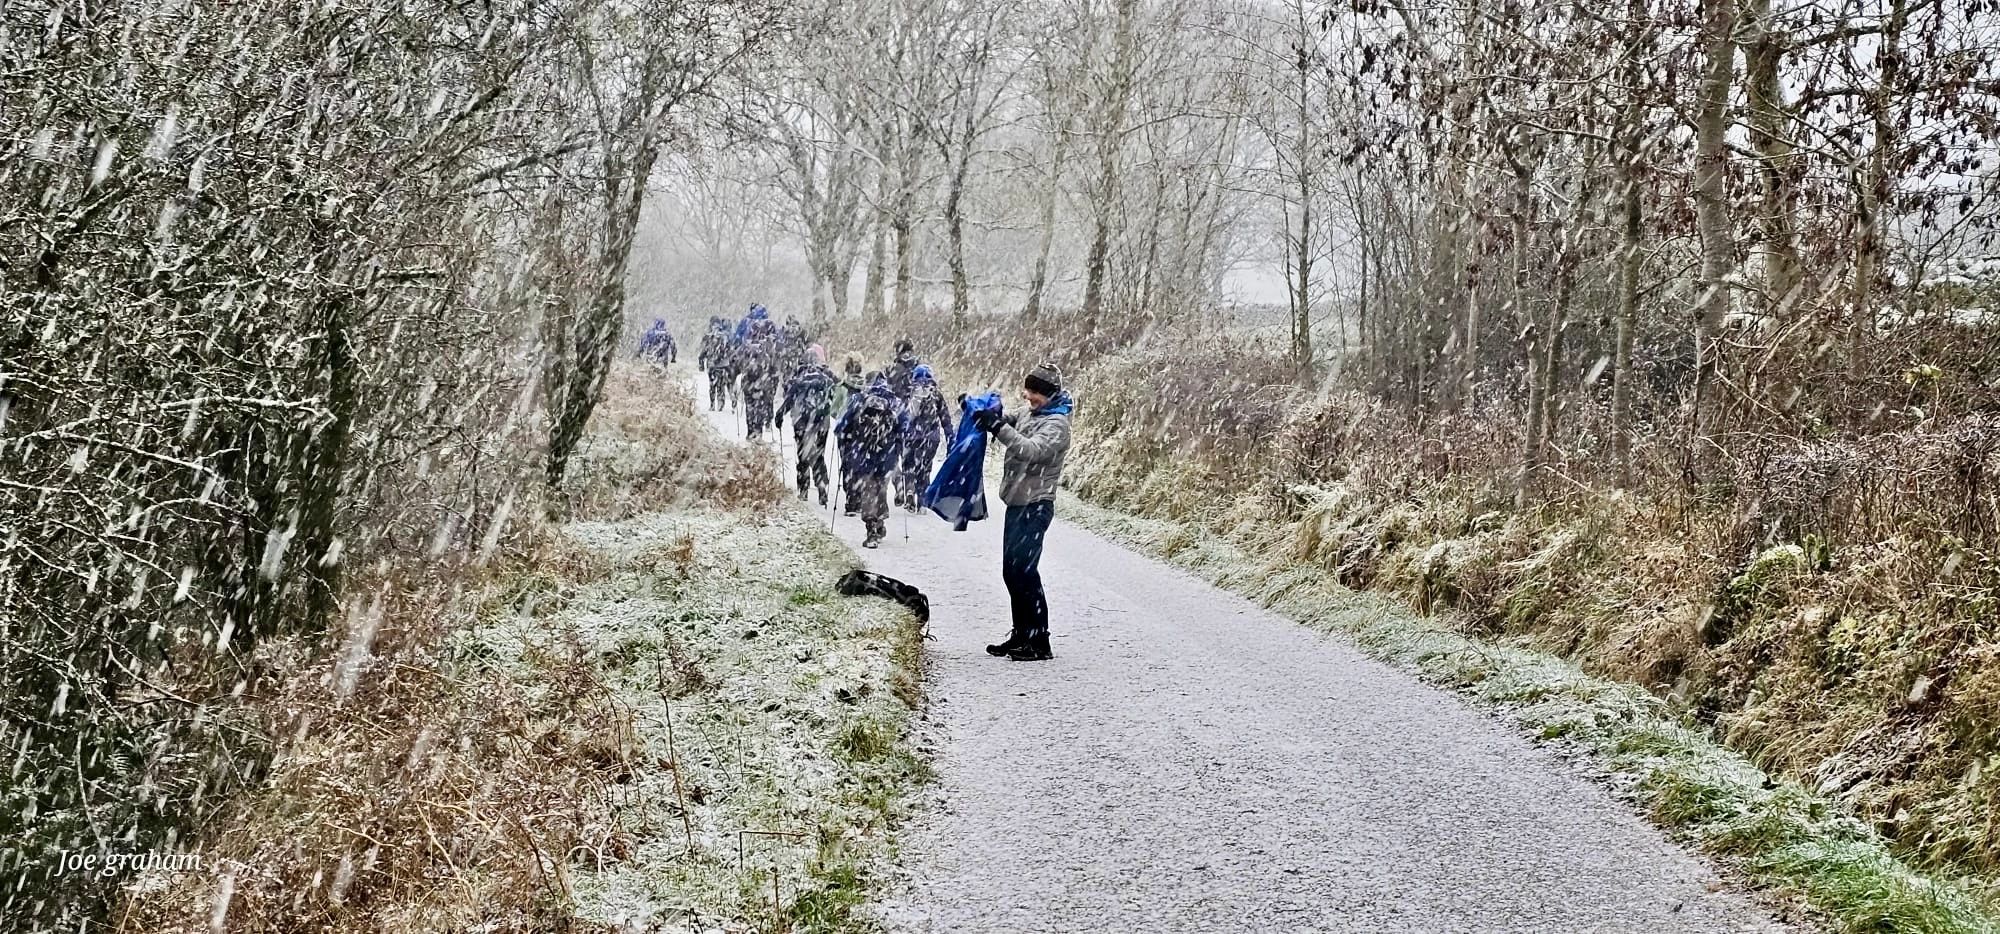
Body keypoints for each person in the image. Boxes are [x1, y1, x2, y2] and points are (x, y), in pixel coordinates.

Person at [969, 362, 1073, 661]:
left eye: (1035, 393)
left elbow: (1031, 450)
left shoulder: (1057, 425)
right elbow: (1009, 419)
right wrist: (978, 409)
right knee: (1011, 571)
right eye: (1028, 392)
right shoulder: (1031, 413)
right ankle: (1021, 634)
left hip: (1036, 504)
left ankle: (1039, 641)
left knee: (1025, 571)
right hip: (1017, 502)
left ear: (1050, 394)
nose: (1029, 397)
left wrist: (998, 427)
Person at [834, 374, 909, 549]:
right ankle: (880, 521)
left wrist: (847, 440)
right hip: (886, 456)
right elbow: (905, 428)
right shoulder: (895, 402)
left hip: (863, 454)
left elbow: (842, 426)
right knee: (881, 488)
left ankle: (871, 528)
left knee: (868, 489)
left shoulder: (859, 399)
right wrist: (898, 446)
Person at [776, 345, 837, 504]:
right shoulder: (827, 379)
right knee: (818, 455)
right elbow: (834, 398)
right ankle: (821, 486)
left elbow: (789, 399)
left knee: (803, 456)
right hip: (821, 423)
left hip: (801, 423)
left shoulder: (799, 379)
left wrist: (780, 415)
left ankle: (803, 490)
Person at [899, 364, 954, 512]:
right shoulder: (935, 394)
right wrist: (950, 438)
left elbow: (901, 415)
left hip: (912, 436)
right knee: (924, 468)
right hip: (931, 438)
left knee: (908, 465)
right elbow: (945, 419)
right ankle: (922, 502)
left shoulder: (909, 393)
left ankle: (909, 489)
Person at [738, 320, 782, 440]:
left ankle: (750, 432)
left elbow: (738, 362)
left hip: (748, 384)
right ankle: (760, 431)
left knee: (750, 408)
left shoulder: (746, 347)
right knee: (761, 407)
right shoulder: (767, 346)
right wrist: (772, 375)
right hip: (762, 384)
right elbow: (773, 364)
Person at [833, 357, 865, 514]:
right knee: (861, 464)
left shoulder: (842, 387)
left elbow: (834, 410)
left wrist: (840, 418)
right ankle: (859, 495)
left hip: (845, 433)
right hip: (863, 433)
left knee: (847, 465)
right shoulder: (866, 387)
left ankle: (851, 498)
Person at [697, 318, 734, 411]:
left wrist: (701, 363)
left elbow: (703, 351)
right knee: (721, 385)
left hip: (711, 365)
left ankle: (712, 404)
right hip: (722, 365)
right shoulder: (725, 337)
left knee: (712, 384)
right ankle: (720, 404)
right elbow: (730, 351)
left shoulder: (708, 336)